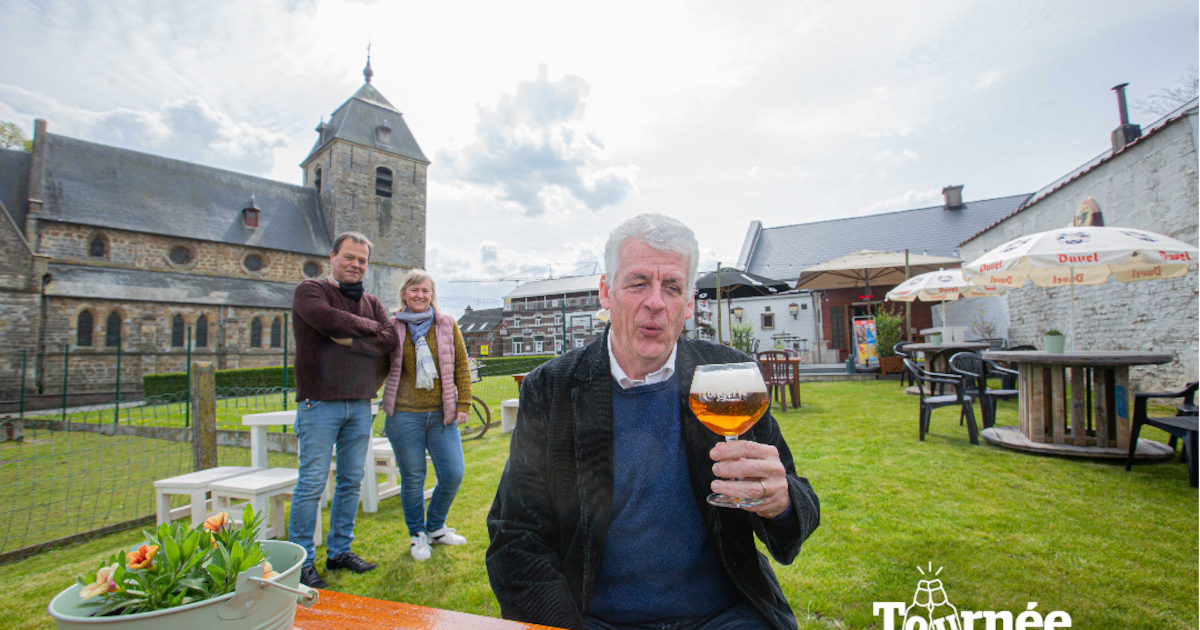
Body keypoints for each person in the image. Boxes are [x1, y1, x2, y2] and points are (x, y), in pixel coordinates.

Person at [486, 214, 820, 630]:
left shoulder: (728, 376)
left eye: (672, 287)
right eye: (639, 282)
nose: (656, 302)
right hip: (595, 620)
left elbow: (796, 505)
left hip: (725, 616)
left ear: (690, 301)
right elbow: (515, 537)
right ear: (607, 292)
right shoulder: (551, 389)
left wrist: (781, 502)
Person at [288, 231, 398, 589]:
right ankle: (300, 560)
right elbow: (328, 320)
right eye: (349, 257)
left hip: (361, 403)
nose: (355, 265)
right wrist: (371, 331)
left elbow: (390, 338)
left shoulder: (372, 300)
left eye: (362, 260)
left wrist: (353, 339)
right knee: (312, 483)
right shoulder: (311, 290)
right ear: (332, 256)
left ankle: (339, 552)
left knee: (351, 481)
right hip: (319, 402)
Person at [380, 269, 472, 562]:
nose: (420, 295)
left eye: (426, 291)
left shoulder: (446, 324)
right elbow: (377, 362)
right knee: (413, 477)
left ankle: (436, 527)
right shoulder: (391, 326)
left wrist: (464, 403)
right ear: (404, 293)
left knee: (453, 473)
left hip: (441, 415)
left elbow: (461, 366)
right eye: (414, 290)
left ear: (432, 295)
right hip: (404, 416)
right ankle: (417, 534)